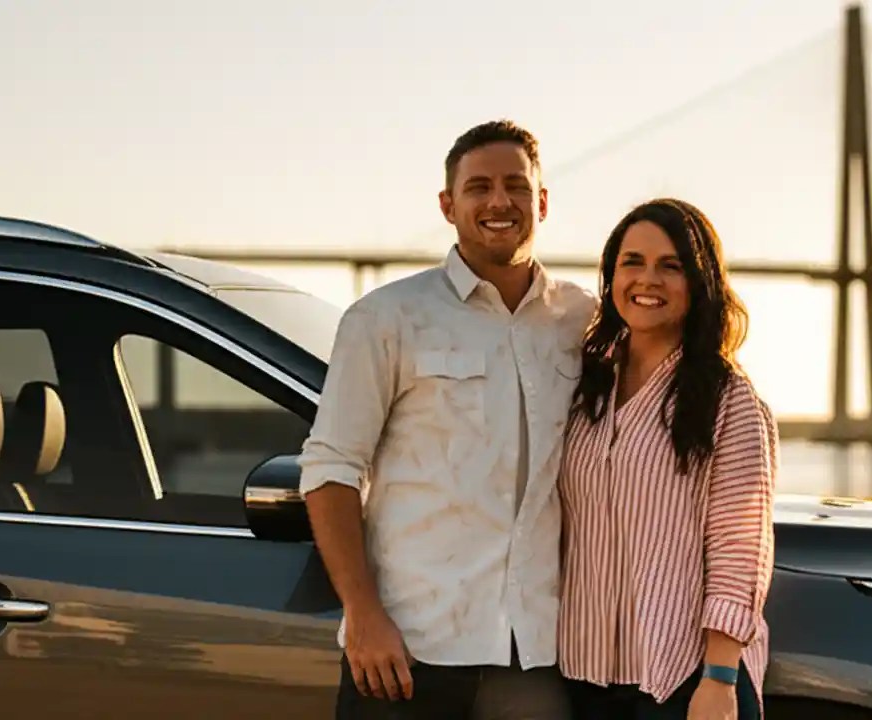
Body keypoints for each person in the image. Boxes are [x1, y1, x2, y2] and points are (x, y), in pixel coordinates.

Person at [297, 119, 597, 719]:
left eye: (516, 185)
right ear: (447, 204)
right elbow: (331, 468)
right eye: (478, 187)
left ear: (541, 201)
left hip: (536, 654)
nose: (498, 202)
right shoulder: (387, 317)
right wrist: (362, 616)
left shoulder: (582, 321)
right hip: (407, 651)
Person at [556, 198, 778, 719]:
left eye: (670, 266)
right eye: (632, 262)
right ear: (612, 276)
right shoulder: (584, 387)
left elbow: (740, 548)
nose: (647, 280)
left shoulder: (729, 400)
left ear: (698, 282)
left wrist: (719, 679)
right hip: (586, 670)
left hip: (684, 676)